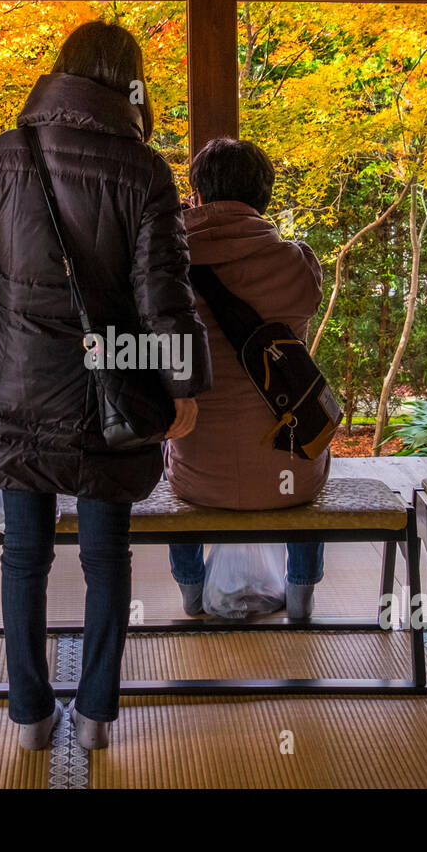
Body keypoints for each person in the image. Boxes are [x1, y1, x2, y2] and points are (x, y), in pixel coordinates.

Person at [0, 21, 210, 751]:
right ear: (129, 85)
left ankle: (30, 718)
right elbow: (164, 298)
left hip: (14, 390)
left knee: (22, 558)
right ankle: (96, 715)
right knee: (107, 559)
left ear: (63, 71)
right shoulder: (145, 171)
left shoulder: (4, 156)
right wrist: (181, 385)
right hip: (112, 391)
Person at [163, 138, 330, 620]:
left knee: (170, 443)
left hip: (201, 477)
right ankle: (300, 596)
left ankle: (192, 594)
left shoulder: (170, 263)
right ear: (265, 193)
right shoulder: (295, 262)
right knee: (313, 441)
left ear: (196, 192)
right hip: (287, 474)